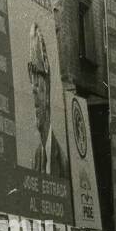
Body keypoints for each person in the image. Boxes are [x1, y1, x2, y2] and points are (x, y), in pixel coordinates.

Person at [27, 23, 67, 175]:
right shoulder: (36, 157)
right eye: (32, 79)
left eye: (39, 80)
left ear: (48, 88)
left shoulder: (63, 162)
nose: (34, 89)